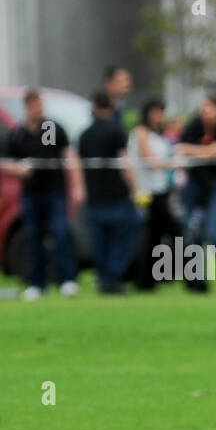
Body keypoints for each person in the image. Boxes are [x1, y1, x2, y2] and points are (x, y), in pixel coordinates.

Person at [1, 88, 84, 300]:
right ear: (27, 107)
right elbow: (8, 162)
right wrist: (20, 169)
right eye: (36, 105)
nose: (39, 109)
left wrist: (76, 186)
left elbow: (68, 156)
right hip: (30, 193)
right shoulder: (18, 133)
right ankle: (36, 283)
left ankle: (67, 280)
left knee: (60, 233)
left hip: (55, 191)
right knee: (33, 236)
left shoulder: (51, 129)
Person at [174, 94, 216, 292]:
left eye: (209, 108)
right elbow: (180, 149)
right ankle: (198, 280)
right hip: (193, 187)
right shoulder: (194, 126)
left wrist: (192, 150)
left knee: (213, 234)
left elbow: (215, 152)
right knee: (193, 235)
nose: (205, 112)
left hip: (213, 187)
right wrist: (201, 151)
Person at [78, 89, 139, 294]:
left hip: (95, 196)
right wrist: (134, 188)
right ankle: (113, 277)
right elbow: (124, 162)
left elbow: (79, 165)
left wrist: (82, 190)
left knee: (100, 243)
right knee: (122, 238)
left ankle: (104, 279)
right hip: (117, 195)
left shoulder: (85, 135)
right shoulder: (116, 131)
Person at [129, 97, 182, 290]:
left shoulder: (158, 135)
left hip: (161, 190)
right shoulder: (140, 133)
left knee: (154, 237)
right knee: (175, 231)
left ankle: (146, 281)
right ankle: (175, 273)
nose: (160, 117)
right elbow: (150, 160)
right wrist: (172, 163)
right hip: (147, 193)